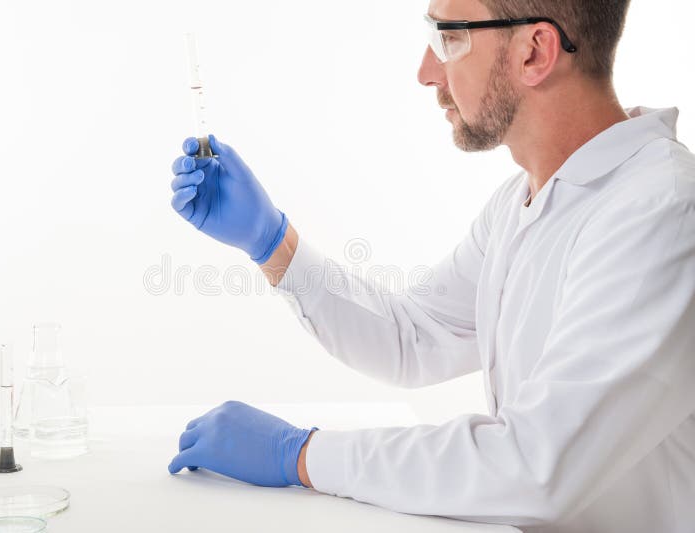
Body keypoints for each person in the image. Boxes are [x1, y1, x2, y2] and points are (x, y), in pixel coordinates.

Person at [167, 1, 695, 531]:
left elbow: (535, 466)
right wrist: (271, 242)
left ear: (535, 52)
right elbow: (414, 335)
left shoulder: (661, 212)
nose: (426, 72)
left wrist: (302, 455)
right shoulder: (524, 202)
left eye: (449, 38)